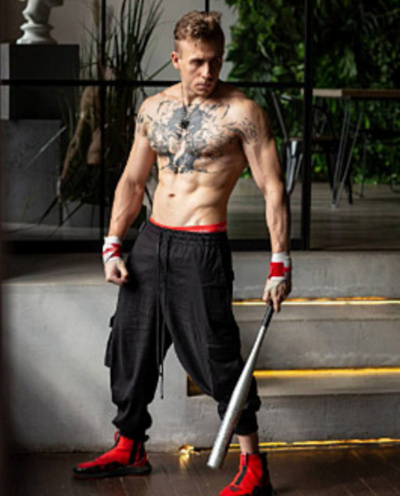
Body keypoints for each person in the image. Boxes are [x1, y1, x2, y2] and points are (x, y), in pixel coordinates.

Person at [73, 11, 291, 496]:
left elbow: (273, 188)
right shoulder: (153, 110)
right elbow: (133, 180)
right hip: (151, 241)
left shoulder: (243, 113)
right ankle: (129, 445)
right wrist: (112, 243)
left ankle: (254, 465)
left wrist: (280, 263)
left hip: (202, 246)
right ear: (176, 59)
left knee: (217, 356)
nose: (208, 72)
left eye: (215, 61)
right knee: (131, 344)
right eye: (197, 62)